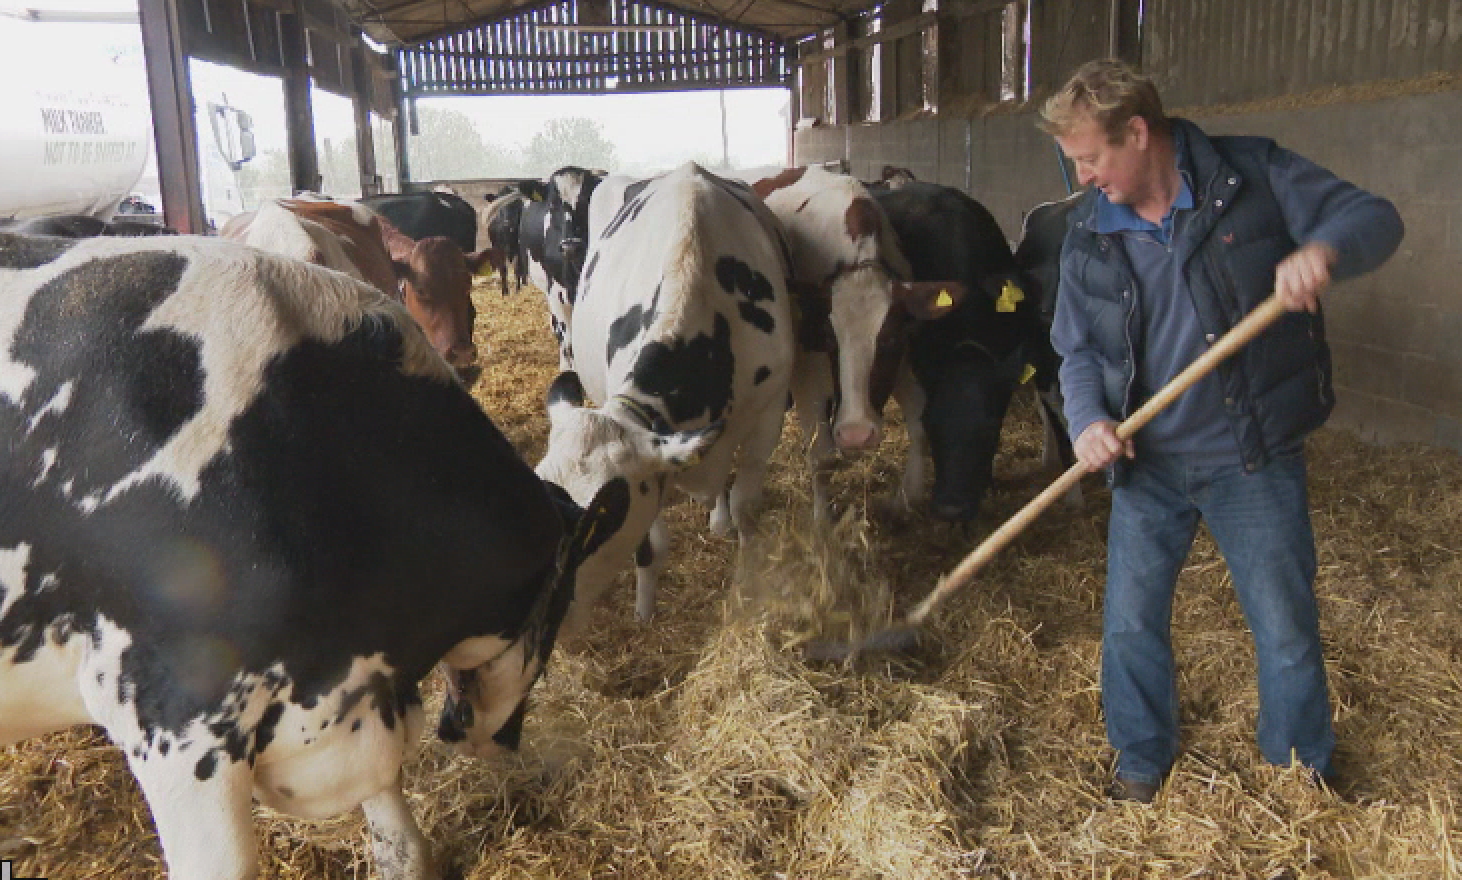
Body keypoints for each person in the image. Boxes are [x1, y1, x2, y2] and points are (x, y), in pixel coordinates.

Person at [1039, 59, 1403, 804]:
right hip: (1146, 465)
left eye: (1090, 156)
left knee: (1284, 623)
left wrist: (1324, 250)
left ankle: (1300, 771)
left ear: (1137, 132)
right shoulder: (1089, 232)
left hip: (1250, 456)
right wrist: (1087, 422)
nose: (1081, 175)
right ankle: (1141, 760)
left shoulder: (1251, 177)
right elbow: (1075, 350)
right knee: (1131, 626)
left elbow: (1375, 217)